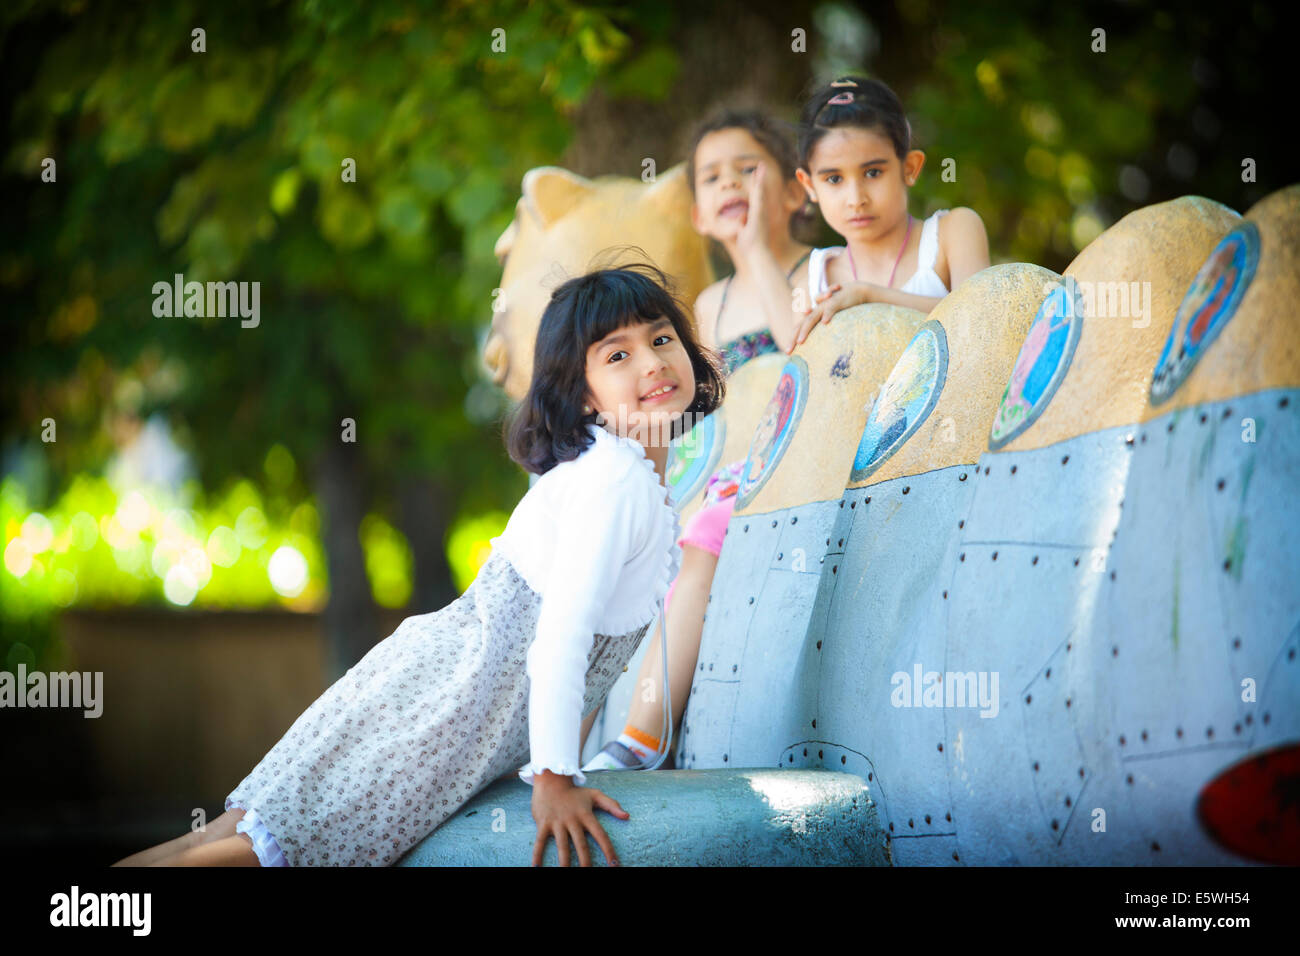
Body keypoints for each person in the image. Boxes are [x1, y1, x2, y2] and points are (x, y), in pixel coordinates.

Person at [111, 261, 725, 867]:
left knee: (222, 840)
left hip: (421, 687)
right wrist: (554, 781)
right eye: (617, 355)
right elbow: (562, 639)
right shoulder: (616, 481)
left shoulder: (616, 472)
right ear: (580, 394)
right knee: (261, 857)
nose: (652, 363)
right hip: (442, 719)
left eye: (661, 338)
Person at [582, 109, 812, 772]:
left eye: (748, 169)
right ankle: (565, 740)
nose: (730, 183)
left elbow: (806, 359)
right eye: (712, 177)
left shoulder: (818, 272)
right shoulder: (710, 305)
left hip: (787, 464)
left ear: (795, 190)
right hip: (717, 472)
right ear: (698, 215)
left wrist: (755, 251)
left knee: (701, 531)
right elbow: (698, 411)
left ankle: (644, 733)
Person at [788, 74, 991, 344]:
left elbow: (980, 321)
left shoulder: (953, 233)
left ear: (910, 168)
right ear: (809, 185)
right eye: (834, 179)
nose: (856, 199)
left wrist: (869, 296)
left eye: (873, 173)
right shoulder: (813, 284)